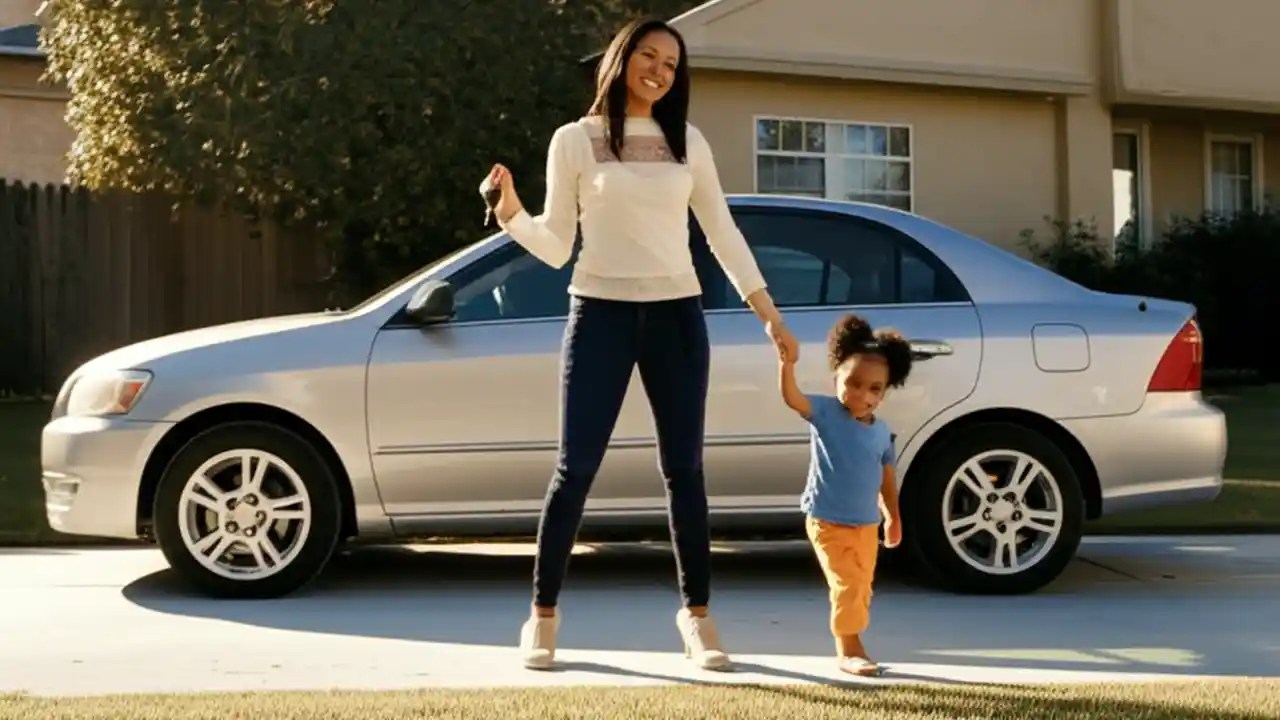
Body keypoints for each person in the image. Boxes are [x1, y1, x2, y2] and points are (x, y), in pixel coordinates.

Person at [480, 17, 800, 672]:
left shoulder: (689, 143)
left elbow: (722, 233)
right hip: (599, 313)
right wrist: (511, 212)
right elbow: (556, 244)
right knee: (576, 470)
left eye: (672, 63)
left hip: (677, 315)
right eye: (648, 56)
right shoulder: (576, 141)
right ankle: (542, 617)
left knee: (684, 471)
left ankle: (699, 618)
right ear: (623, 59)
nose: (659, 70)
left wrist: (768, 312)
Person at [777, 313, 913, 677]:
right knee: (848, 584)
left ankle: (851, 641)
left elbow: (886, 477)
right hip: (827, 519)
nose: (862, 395)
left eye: (874, 389)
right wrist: (786, 365)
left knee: (862, 586)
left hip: (866, 525)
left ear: (885, 391)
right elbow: (792, 399)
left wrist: (893, 516)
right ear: (836, 375)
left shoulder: (882, 433)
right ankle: (849, 648)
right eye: (853, 383)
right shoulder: (825, 412)